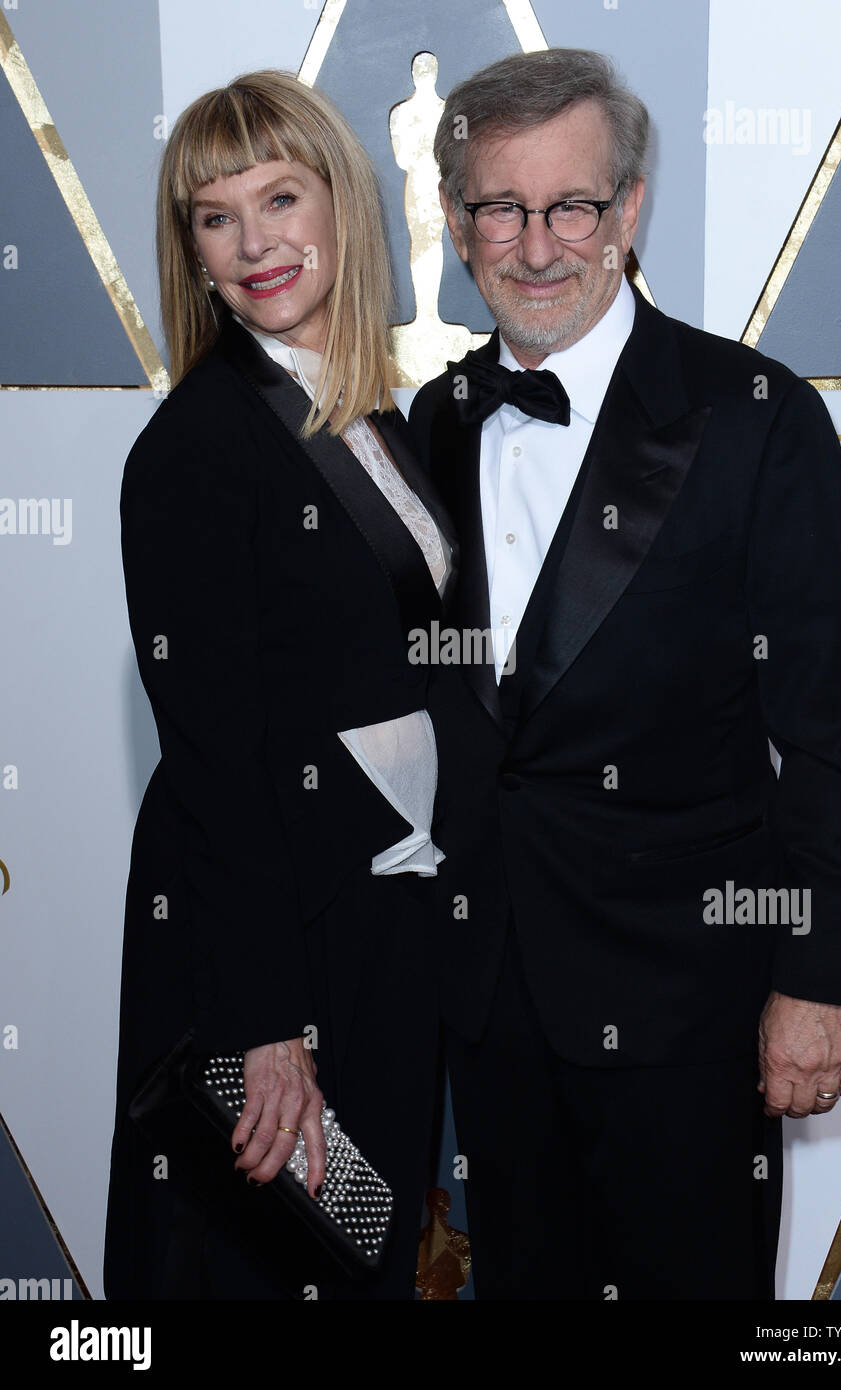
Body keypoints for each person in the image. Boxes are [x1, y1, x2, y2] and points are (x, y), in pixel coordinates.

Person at [409, 47, 841, 1301]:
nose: (534, 245)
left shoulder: (750, 413)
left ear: (628, 211)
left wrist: (816, 975)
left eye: (568, 205)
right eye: (499, 210)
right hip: (493, 1008)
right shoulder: (432, 422)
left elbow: (833, 730)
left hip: (695, 1012)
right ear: (458, 227)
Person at [104, 70, 455, 1300]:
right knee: (260, 1267)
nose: (253, 242)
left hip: (380, 921)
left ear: (340, 208)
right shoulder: (198, 446)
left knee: (359, 1253)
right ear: (190, 249)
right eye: (214, 214)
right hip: (272, 945)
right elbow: (214, 753)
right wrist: (267, 1027)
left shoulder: (372, 416)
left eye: (280, 195)